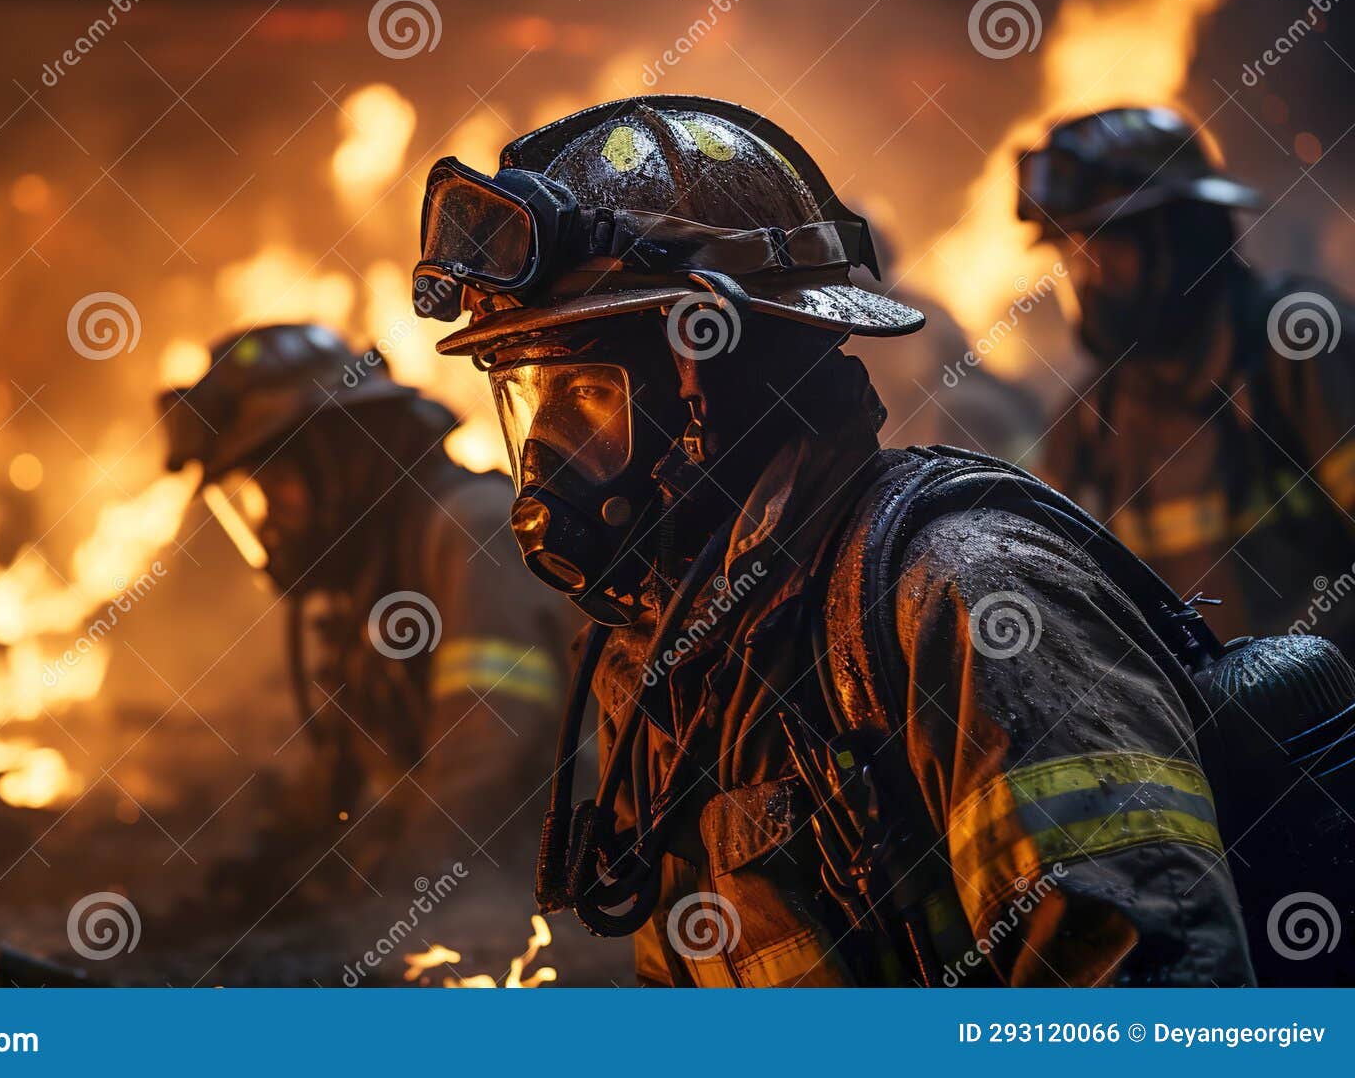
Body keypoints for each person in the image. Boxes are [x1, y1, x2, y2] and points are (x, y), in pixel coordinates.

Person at [409, 96, 1253, 986]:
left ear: (708, 375)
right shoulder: (663, 666)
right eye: (528, 403)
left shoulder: (966, 599)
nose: (544, 459)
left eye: (583, 396)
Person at [159, 324, 577, 924]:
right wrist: (260, 889)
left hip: (559, 919)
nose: (269, 520)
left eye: (274, 488)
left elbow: (485, 762)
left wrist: (388, 920)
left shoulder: (469, 532)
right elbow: (342, 778)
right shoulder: (375, 576)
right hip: (479, 897)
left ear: (339, 457)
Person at [1019, 106, 1355, 651]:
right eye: (1071, 253)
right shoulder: (1090, 418)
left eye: (1106, 247)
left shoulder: (1297, 347)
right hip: (1201, 735)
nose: (1086, 279)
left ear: (1185, 238)